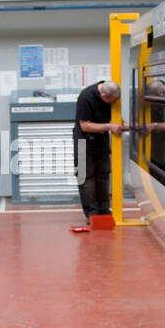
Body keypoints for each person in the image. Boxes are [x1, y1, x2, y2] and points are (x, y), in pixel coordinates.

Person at [71, 79, 125, 230]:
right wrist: (109, 126)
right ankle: (92, 213)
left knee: (103, 175)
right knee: (86, 178)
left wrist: (124, 125)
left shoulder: (112, 96)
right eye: (110, 101)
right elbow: (85, 125)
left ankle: (104, 210)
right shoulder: (86, 97)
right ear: (103, 95)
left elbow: (115, 118)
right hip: (83, 141)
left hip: (101, 140)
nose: (112, 104)